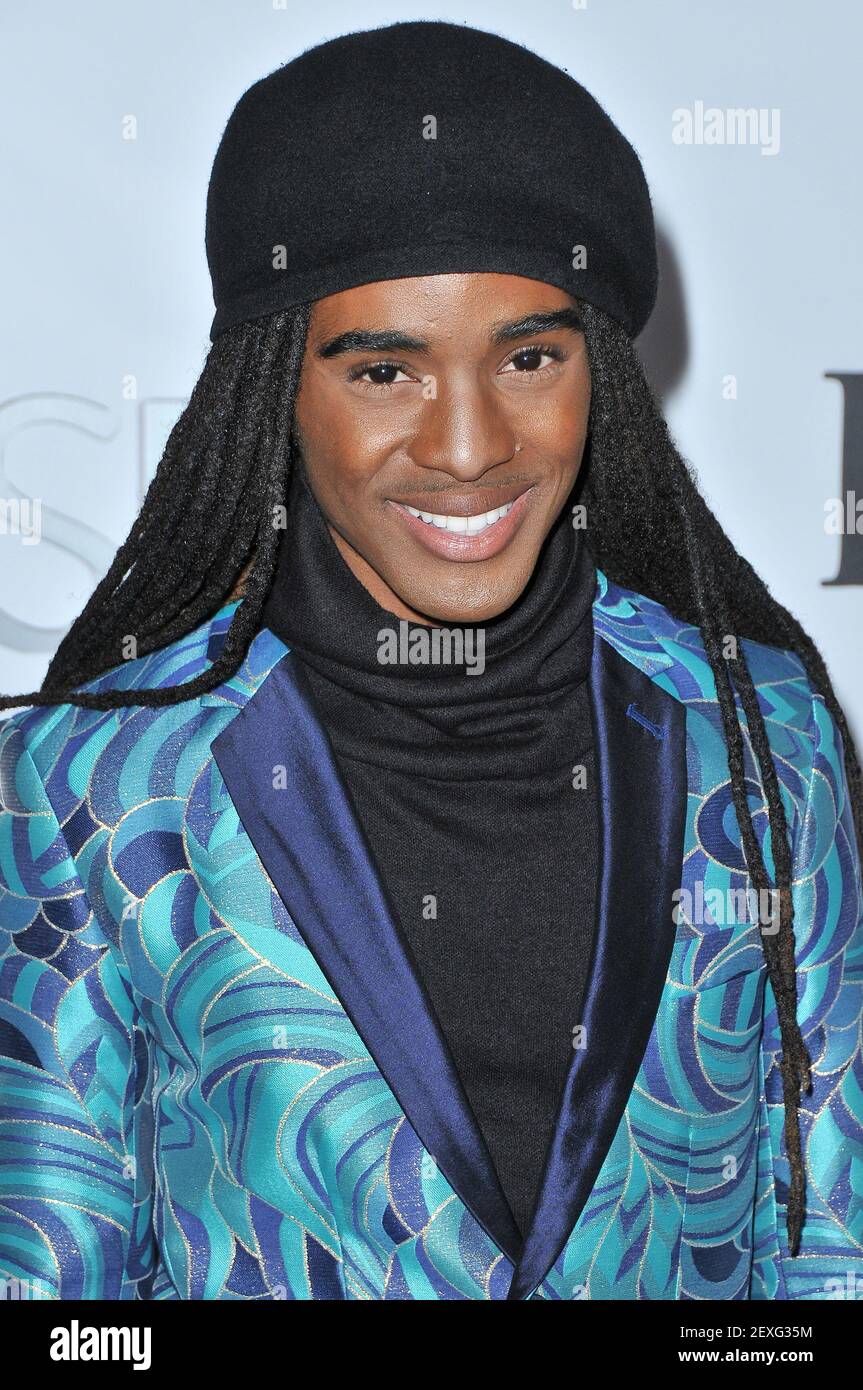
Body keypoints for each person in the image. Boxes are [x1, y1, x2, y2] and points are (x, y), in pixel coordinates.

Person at [1, 19, 861, 1302]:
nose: (467, 446)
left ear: (599, 375)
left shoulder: (764, 735)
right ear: (273, 389)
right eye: (385, 371)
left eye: (528, 358)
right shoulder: (95, 783)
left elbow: (829, 1248)